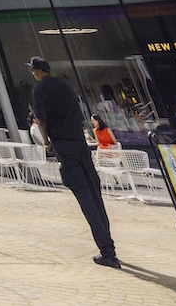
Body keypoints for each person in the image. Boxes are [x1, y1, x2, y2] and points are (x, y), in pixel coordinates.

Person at [28, 56, 121, 269]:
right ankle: (109, 246)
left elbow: (41, 119)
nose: (32, 74)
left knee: (85, 197)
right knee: (94, 193)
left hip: (64, 145)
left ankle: (108, 251)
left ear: (38, 71)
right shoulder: (65, 86)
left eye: (33, 71)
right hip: (80, 144)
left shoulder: (40, 88)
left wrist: (47, 142)